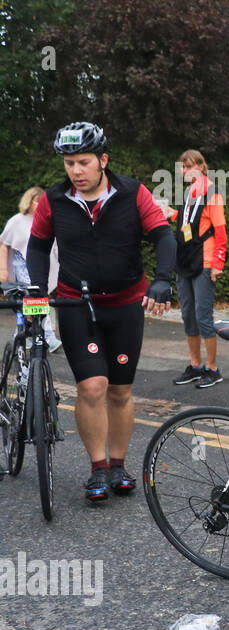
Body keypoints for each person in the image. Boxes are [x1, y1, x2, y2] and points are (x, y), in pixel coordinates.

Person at [26, 122, 175, 502]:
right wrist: (36, 293)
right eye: (70, 163)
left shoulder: (132, 193)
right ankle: (97, 468)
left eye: (84, 162)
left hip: (126, 304)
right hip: (77, 303)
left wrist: (162, 280)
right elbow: (39, 248)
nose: (76, 171)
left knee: (122, 390)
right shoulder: (54, 200)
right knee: (93, 387)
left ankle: (119, 464)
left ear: (103, 161)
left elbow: (163, 235)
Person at [170, 149, 227, 389]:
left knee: (203, 317)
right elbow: (189, 226)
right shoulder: (190, 191)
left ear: (201, 167)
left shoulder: (212, 192)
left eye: (189, 166)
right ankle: (195, 366)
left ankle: (212, 369)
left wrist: (217, 264)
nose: (185, 171)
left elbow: (220, 231)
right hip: (185, 259)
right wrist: (171, 214)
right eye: (183, 167)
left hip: (204, 262)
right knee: (187, 315)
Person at [0, 186, 61, 349]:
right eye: (37, 201)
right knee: (32, 300)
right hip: (22, 268)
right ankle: (39, 336)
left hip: (42, 267)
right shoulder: (16, 221)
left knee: (40, 299)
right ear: (29, 201)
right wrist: (3, 270)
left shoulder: (47, 221)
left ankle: (31, 336)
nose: (40, 205)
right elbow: (4, 244)